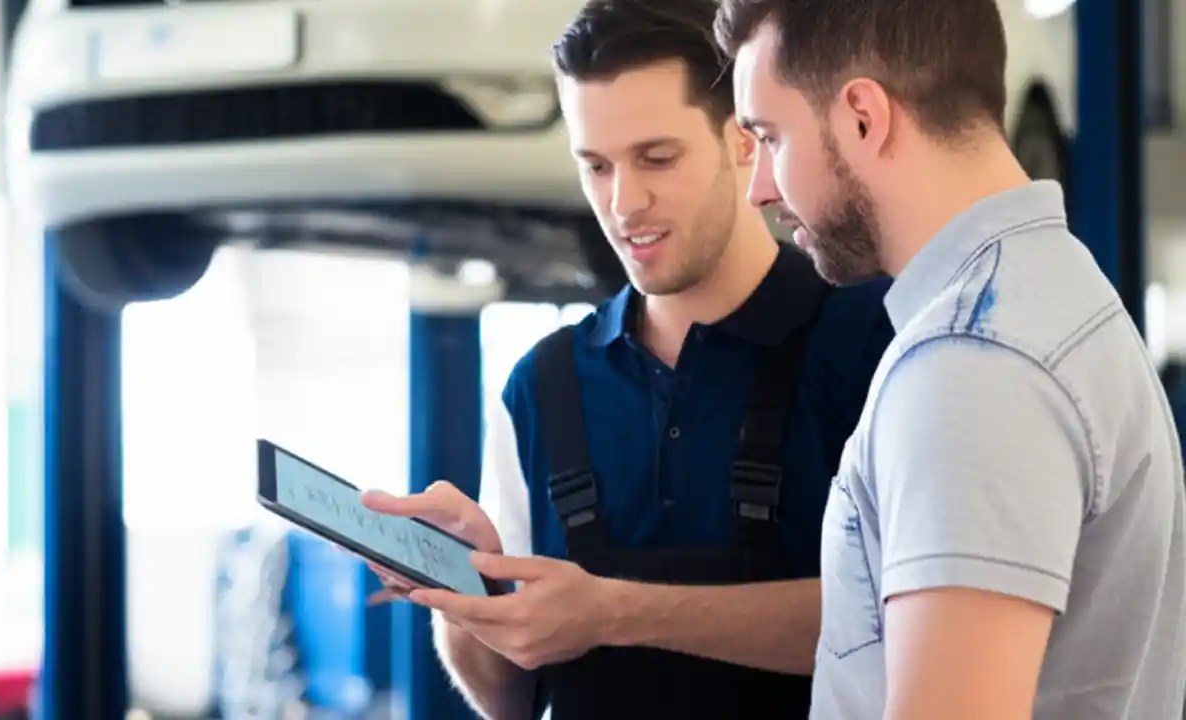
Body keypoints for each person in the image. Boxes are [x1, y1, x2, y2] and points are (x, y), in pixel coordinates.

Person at [360, 1, 892, 718]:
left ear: (745, 140)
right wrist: (465, 591)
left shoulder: (871, 342)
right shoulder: (542, 387)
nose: (623, 203)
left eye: (656, 158)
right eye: (596, 166)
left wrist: (613, 613)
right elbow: (510, 702)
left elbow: (905, 626)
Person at [714, 1, 1186, 718]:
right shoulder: (1055, 292)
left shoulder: (972, 366)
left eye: (771, 137)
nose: (759, 189)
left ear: (863, 117)